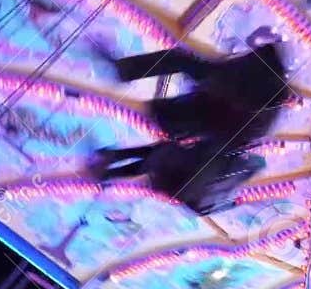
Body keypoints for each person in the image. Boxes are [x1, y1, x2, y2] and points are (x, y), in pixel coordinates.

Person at [91, 30, 293, 213]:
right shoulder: (261, 101)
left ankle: (112, 163)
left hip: (207, 130)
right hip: (210, 133)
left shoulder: (255, 81)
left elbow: (214, 75)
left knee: (164, 156)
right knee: (163, 156)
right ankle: (112, 163)